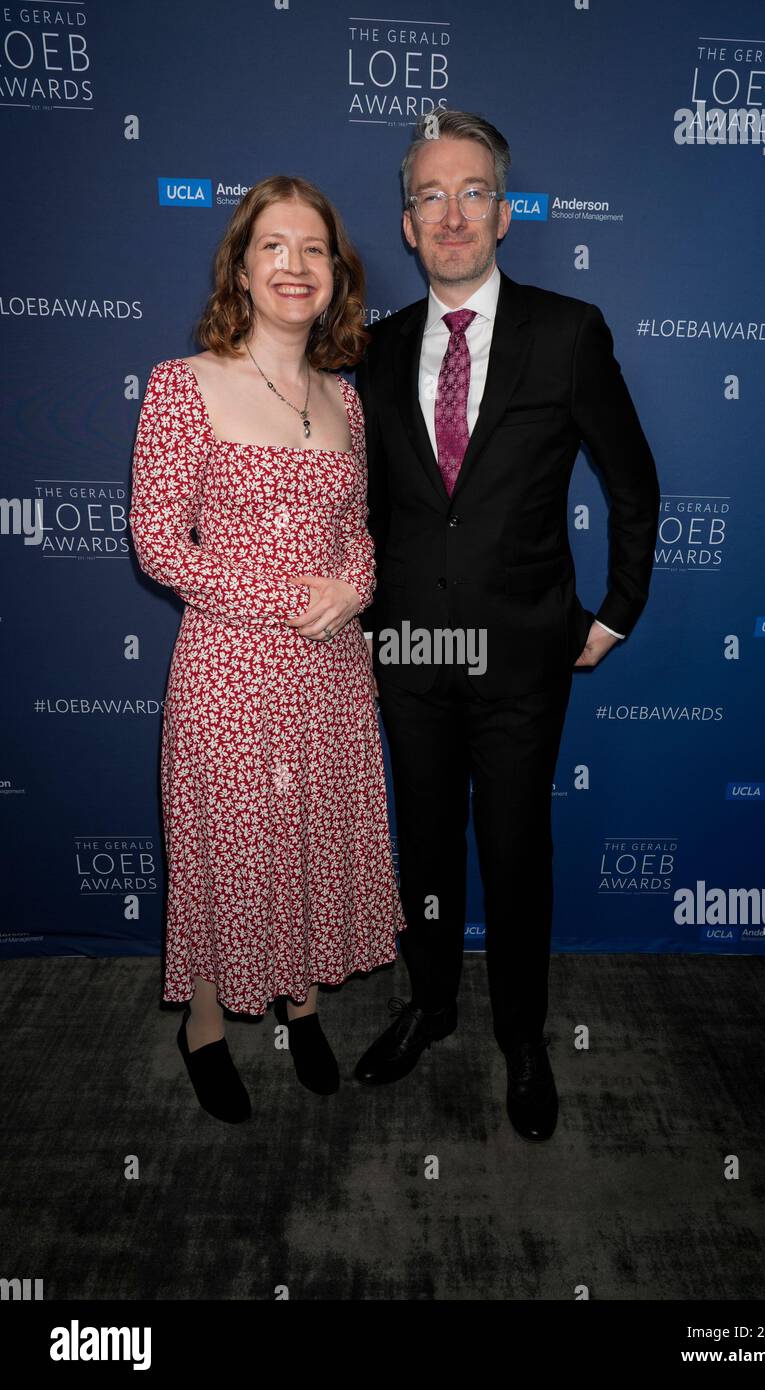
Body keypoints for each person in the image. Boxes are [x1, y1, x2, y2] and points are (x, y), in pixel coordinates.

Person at [353, 111, 660, 1141]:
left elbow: (631, 482)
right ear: (405, 225)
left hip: (523, 654)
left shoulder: (566, 332)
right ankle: (432, 1003)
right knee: (427, 847)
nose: (452, 213)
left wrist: (617, 610)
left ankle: (522, 1038)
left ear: (505, 211)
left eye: (472, 190)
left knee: (516, 849)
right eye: (430, 196)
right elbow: (369, 508)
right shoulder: (380, 348)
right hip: (409, 654)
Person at [129, 174, 406, 1125]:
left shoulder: (345, 400)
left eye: (315, 249)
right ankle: (204, 1022)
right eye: (274, 248)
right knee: (232, 852)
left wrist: (355, 590)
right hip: (232, 678)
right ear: (241, 270)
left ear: (337, 273)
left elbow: (360, 536)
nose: (296, 265)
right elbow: (160, 544)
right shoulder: (184, 385)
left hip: (332, 678)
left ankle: (303, 1000)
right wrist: (293, 599)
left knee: (311, 842)